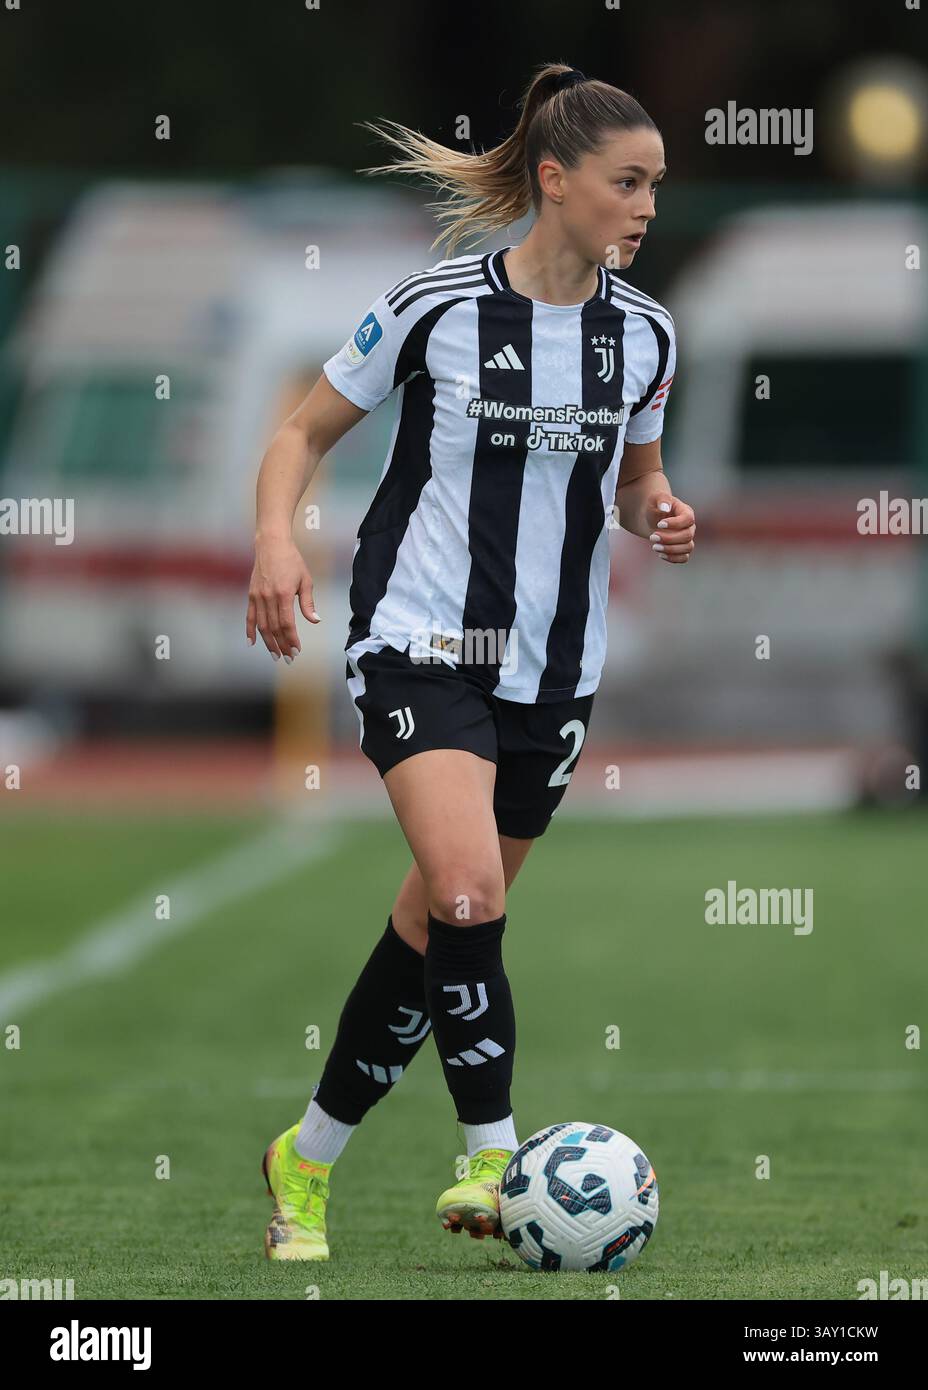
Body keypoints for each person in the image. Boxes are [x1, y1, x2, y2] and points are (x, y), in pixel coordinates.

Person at [246, 61, 695, 1260]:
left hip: (553, 670)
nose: (648, 206)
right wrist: (273, 544)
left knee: (432, 929)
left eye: (656, 184)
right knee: (467, 897)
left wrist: (661, 513)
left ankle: (306, 1158)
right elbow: (300, 430)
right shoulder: (437, 306)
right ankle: (495, 1157)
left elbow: (637, 482)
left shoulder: (646, 335)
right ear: (554, 181)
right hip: (421, 640)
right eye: (627, 182)